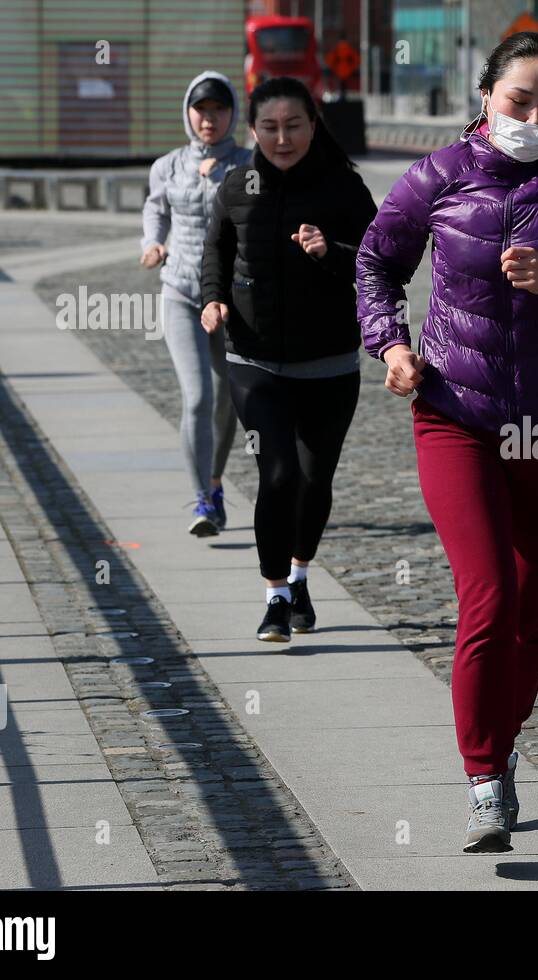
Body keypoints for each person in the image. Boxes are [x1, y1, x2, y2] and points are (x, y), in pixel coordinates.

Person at [356, 32, 538, 853]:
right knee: (486, 595)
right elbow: (377, 262)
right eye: (520, 100)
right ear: (487, 95)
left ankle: (500, 737)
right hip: (458, 412)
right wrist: (393, 345)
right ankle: (486, 779)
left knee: (531, 609)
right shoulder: (439, 177)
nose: (535, 117)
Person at [200, 77, 377, 643]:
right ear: (253, 129)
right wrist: (214, 297)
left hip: (329, 363)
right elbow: (217, 249)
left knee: (313, 477)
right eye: (270, 127)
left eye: (294, 125)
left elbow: (380, 265)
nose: (282, 138)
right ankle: (275, 596)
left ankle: (301, 574)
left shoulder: (344, 188)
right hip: (254, 359)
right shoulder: (237, 185)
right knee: (276, 474)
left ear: (313, 124)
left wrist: (331, 253)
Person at [141, 72, 251, 537]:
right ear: (188, 113)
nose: (209, 119)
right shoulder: (167, 166)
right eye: (201, 110)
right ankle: (202, 501)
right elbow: (155, 207)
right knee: (198, 397)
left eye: (219, 110)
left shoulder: (249, 164)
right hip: (182, 294)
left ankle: (214, 479)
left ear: (232, 115)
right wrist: (153, 242)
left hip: (229, 300)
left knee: (227, 402)